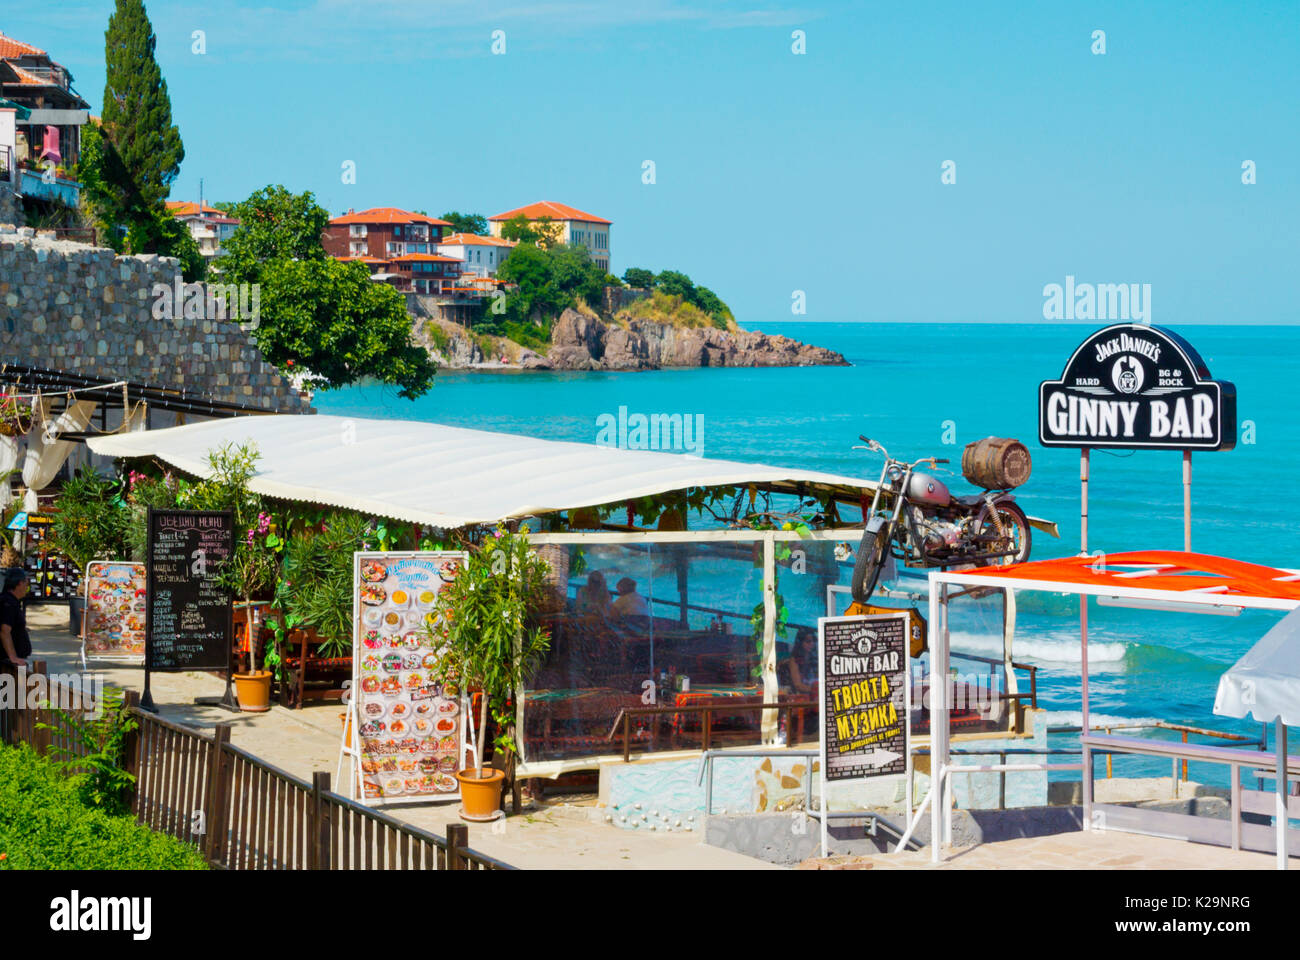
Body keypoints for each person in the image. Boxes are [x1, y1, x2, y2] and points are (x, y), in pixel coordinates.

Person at [1, 567, 32, 667]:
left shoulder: (11, 601)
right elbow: (4, 631)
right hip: (6, 663)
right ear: (19, 583)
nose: (27, 588)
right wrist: (13, 657)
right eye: (26, 584)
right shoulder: (8, 603)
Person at [788, 627, 818, 696]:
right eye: (808, 641)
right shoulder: (794, 660)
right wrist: (816, 690)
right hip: (799, 697)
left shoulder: (814, 658)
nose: (812, 644)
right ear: (800, 642)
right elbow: (798, 685)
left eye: (814, 640)